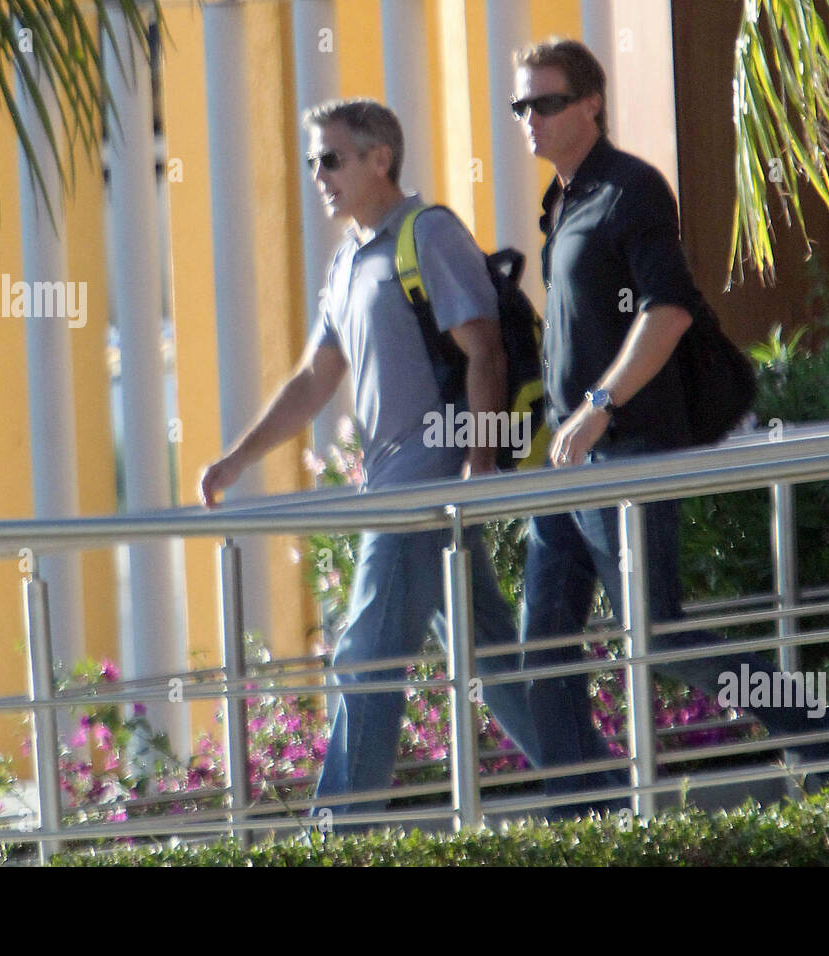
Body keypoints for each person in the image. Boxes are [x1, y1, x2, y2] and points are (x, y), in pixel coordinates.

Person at [509, 38, 829, 806]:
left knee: (660, 634)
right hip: (571, 465)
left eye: (544, 102)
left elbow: (667, 312)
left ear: (591, 104)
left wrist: (599, 409)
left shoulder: (629, 190)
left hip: (629, 453)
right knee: (541, 644)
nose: (529, 119)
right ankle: (591, 808)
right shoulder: (563, 202)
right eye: (520, 106)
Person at [199, 98, 561, 824]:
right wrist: (235, 461)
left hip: (425, 487)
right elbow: (312, 381)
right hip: (395, 483)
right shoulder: (347, 263)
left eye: (331, 158)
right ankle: (598, 797)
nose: (318, 175)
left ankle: (335, 839)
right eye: (312, 162)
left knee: (364, 661)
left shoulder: (427, 234)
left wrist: (480, 465)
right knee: (493, 661)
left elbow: (484, 348)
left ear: (379, 159)